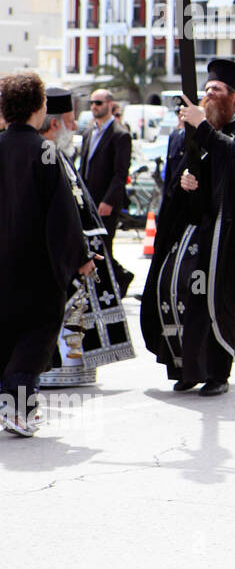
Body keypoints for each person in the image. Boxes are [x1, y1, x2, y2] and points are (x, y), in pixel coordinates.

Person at [140, 59, 235, 396]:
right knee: (179, 296)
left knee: (213, 305)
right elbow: (178, 180)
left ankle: (218, 372)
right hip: (193, 231)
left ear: (232, 97)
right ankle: (186, 366)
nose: (210, 95)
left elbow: (233, 158)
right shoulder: (189, 134)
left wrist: (203, 127)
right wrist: (186, 181)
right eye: (207, 90)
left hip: (226, 236)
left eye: (217, 90)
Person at [0, 73, 96, 436]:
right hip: (34, 265)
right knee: (35, 334)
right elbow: (63, 214)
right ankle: (19, 410)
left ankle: (13, 405)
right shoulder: (46, 152)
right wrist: (79, 257)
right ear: (39, 109)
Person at [38, 88, 134, 388]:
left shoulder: (59, 153)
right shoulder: (43, 155)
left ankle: (74, 361)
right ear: (55, 124)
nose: (75, 126)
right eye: (69, 120)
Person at [78, 88, 133, 293]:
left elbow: (120, 174)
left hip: (106, 202)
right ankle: (114, 279)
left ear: (110, 104)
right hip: (89, 201)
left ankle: (116, 280)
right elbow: (84, 167)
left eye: (99, 103)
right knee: (95, 246)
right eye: (92, 102)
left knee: (104, 245)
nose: (94, 106)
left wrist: (109, 200)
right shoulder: (88, 133)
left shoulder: (120, 135)